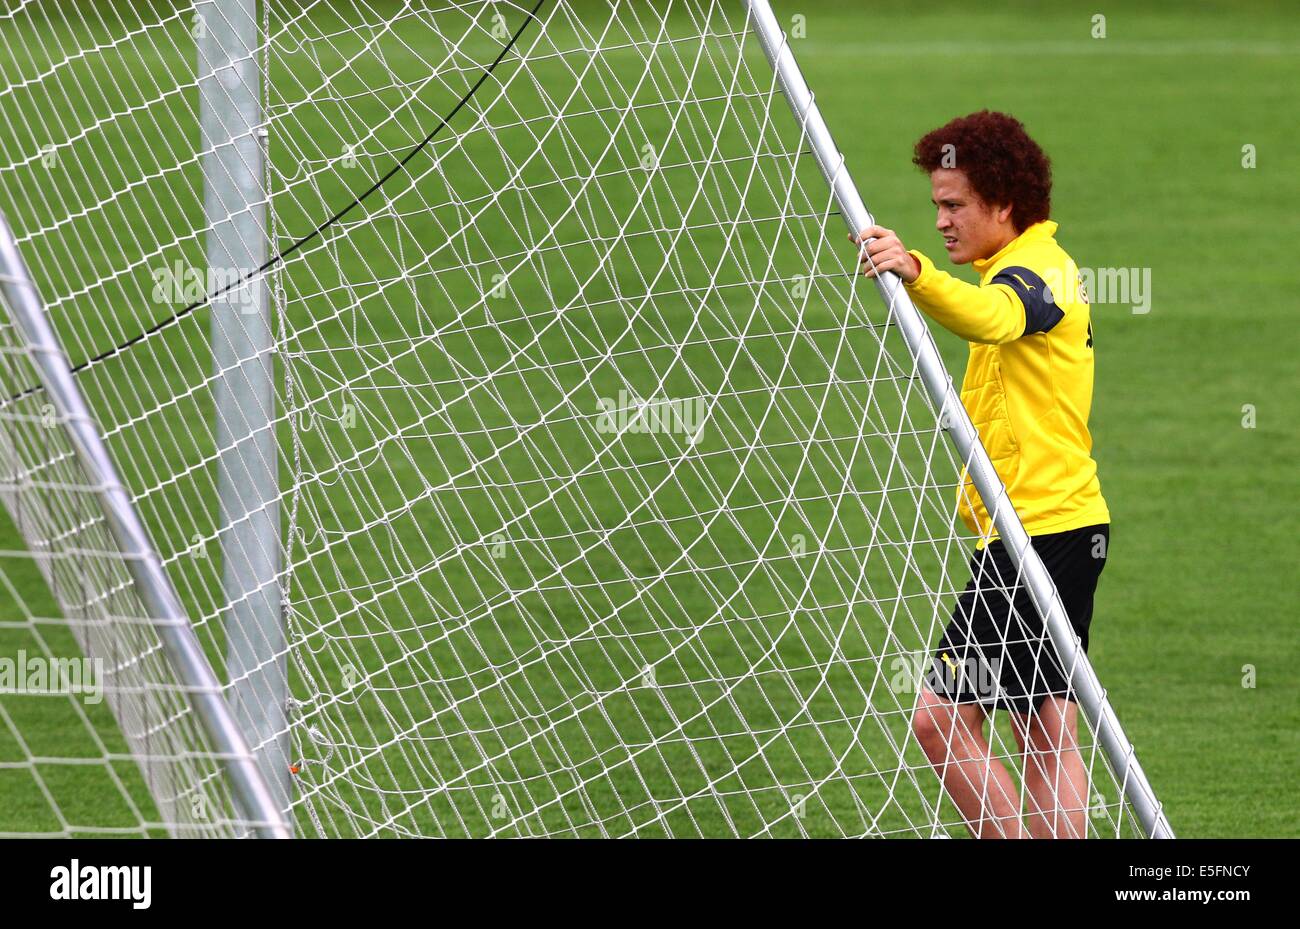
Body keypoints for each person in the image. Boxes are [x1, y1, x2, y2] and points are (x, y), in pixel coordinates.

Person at [853, 110, 1110, 838]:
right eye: (937, 204)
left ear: (1004, 203)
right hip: (1057, 527)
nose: (940, 221)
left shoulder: (1039, 276)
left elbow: (996, 319)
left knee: (938, 721)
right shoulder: (1022, 264)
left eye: (954, 204)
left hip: (1039, 539)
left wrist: (916, 273)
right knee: (1045, 726)